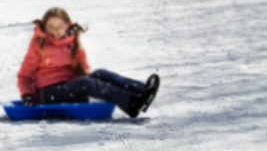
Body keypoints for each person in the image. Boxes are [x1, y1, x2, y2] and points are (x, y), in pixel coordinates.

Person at [15, 7, 159, 116]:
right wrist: (27, 95)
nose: (55, 31)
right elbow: (24, 75)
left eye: (59, 26)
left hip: (69, 87)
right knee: (84, 82)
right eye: (50, 27)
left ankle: (142, 90)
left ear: (67, 25)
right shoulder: (39, 44)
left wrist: (92, 77)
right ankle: (132, 103)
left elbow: (82, 69)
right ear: (45, 27)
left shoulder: (73, 41)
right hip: (47, 93)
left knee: (100, 73)